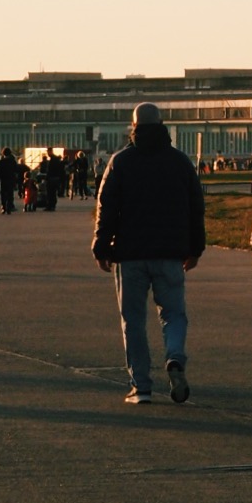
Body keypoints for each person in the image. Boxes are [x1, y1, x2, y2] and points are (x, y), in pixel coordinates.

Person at [92, 102, 206, 406]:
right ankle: (175, 357)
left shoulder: (120, 162)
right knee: (173, 313)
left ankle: (140, 386)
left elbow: (106, 209)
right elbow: (197, 208)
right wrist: (195, 248)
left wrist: (101, 246)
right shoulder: (180, 163)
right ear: (162, 124)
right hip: (170, 252)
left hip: (129, 254)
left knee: (133, 319)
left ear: (134, 127)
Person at [0, 147, 19, 215]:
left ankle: (3, 207)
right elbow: (16, 170)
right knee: (10, 193)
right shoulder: (13, 161)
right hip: (11, 179)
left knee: (3, 194)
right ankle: (9, 207)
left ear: (3, 153)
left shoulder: (1, 161)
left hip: (3, 179)